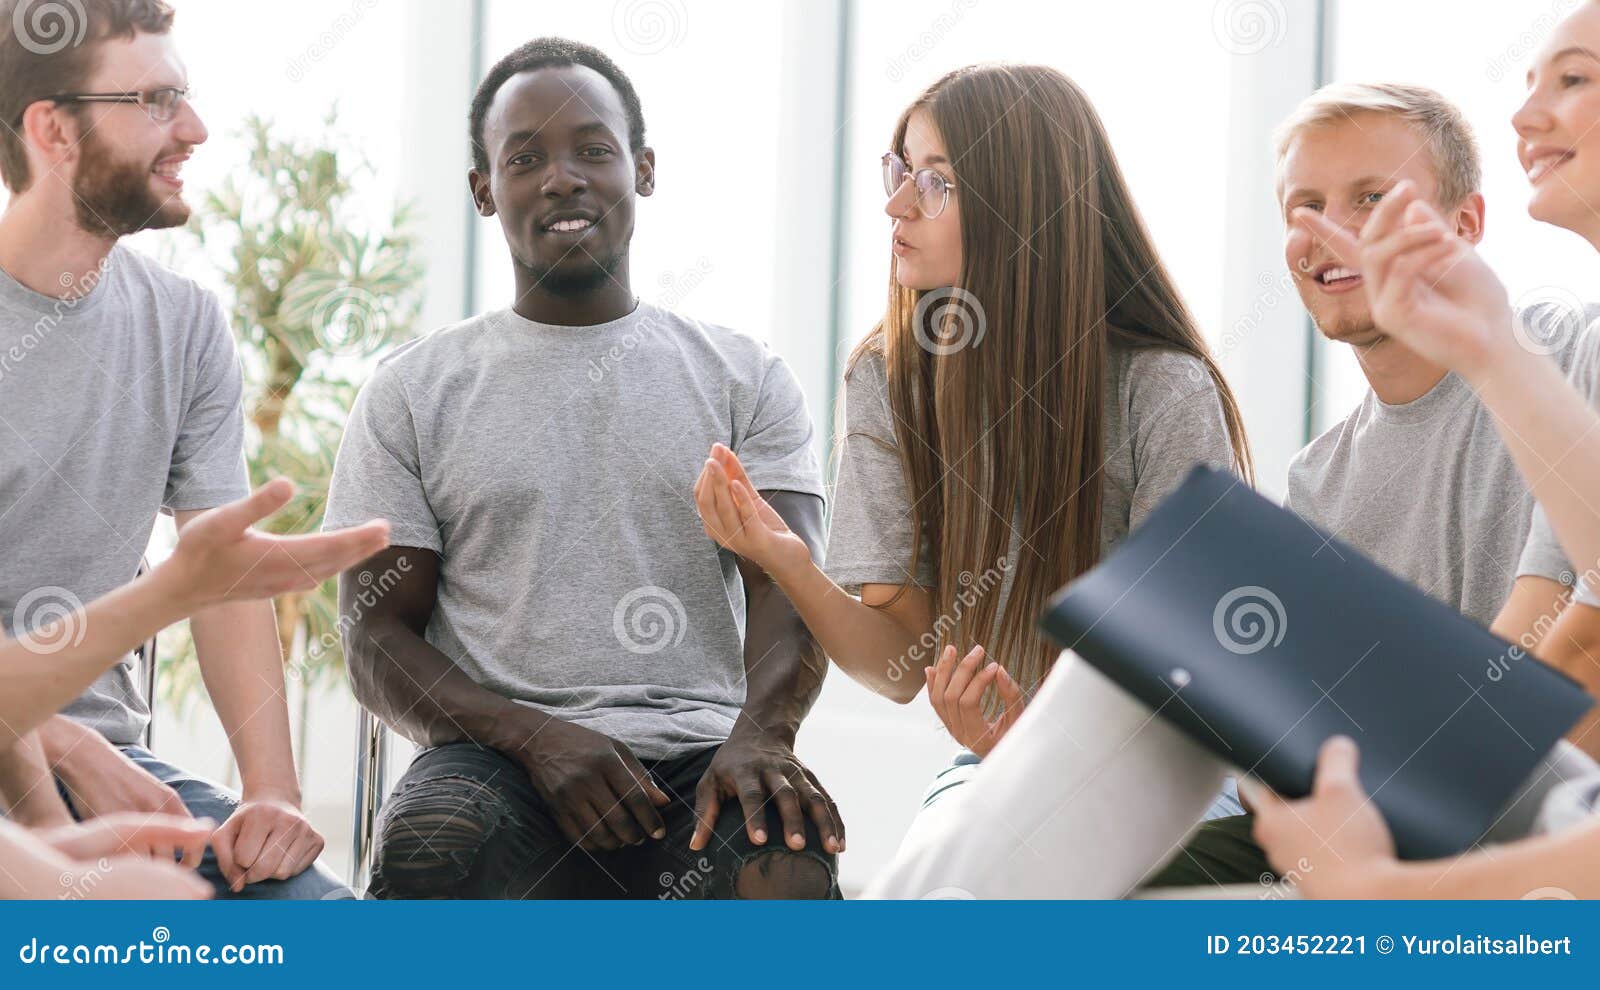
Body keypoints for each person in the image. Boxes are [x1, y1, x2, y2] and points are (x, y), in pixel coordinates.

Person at [691, 62, 1252, 870]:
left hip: (1174, 780)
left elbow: (1199, 686)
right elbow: (896, 665)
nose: (896, 204)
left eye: (936, 182)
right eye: (899, 170)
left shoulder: (1162, 391)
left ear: (1023, 207)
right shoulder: (888, 379)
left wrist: (1035, 744)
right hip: (1001, 765)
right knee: (926, 895)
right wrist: (782, 557)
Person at [324, 37, 842, 899]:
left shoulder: (746, 377)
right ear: (485, 192)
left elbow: (795, 591)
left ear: (641, 169)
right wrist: (533, 737)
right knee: (435, 845)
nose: (562, 177)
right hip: (494, 759)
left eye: (592, 150)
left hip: (702, 757)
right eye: (525, 159)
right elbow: (373, 638)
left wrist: (764, 735)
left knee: (778, 866)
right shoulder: (411, 392)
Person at [0, 0, 347, 898]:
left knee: (330, 935)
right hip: (43, 767)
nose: (193, 129)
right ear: (53, 129)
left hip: (110, 768)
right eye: (154, 100)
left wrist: (271, 797)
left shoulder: (186, 325)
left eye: (184, 97)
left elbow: (220, 577)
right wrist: (60, 755)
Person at [0, 481, 389, 899]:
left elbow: (223, 565)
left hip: (101, 758)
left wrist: (272, 792)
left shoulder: (187, 413)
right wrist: (56, 752)